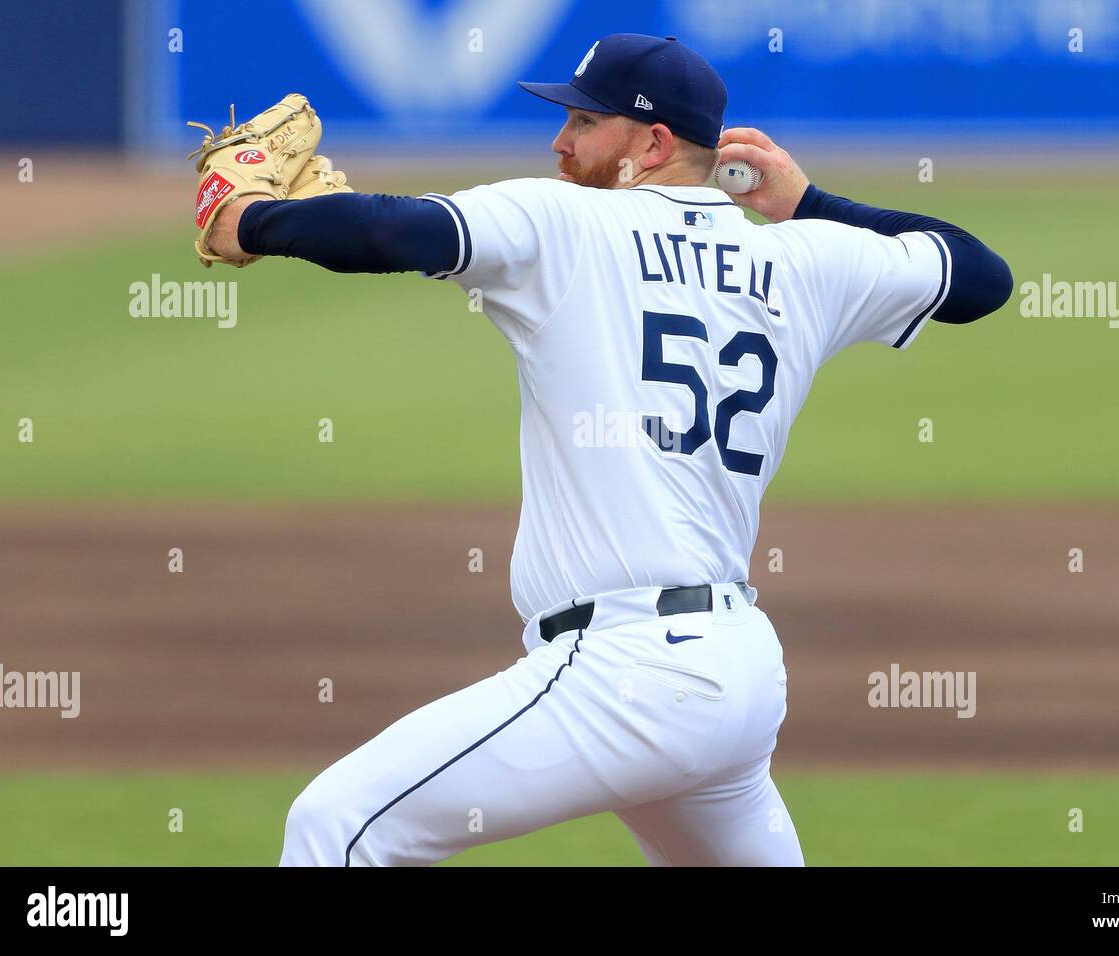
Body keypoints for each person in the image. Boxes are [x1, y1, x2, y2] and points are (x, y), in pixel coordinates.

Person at [205, 33, 1012, 867]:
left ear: (651, 143)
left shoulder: (568, 222)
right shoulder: (801, 259)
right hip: (736, 676)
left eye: (584, 122)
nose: (559, 143)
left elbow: (390, 233)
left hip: (626, 676)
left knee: (334, 825)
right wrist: (806, 202)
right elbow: (981, 277)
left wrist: (250, 222)